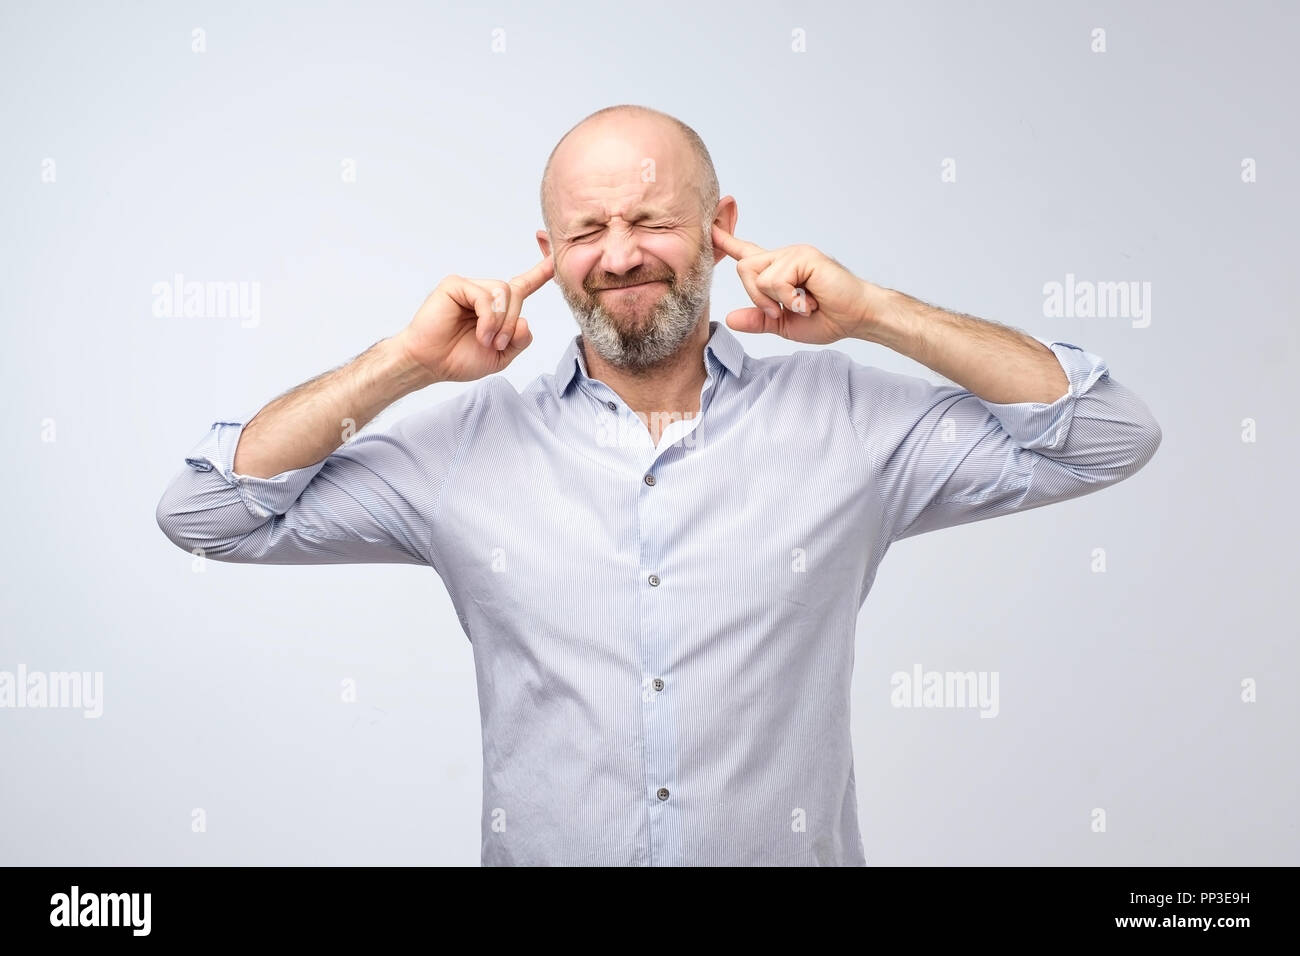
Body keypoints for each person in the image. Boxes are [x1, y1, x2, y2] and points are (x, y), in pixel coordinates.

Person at [156, 103, 1162, 866]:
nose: (621, 254)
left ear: (721, 226)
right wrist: (406, 364)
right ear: (548, 256)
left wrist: (874, 313)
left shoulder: (848, 420)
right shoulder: (463, 447)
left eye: (651, 219)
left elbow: (1103, 434)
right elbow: (205, 512)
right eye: (587, 230)